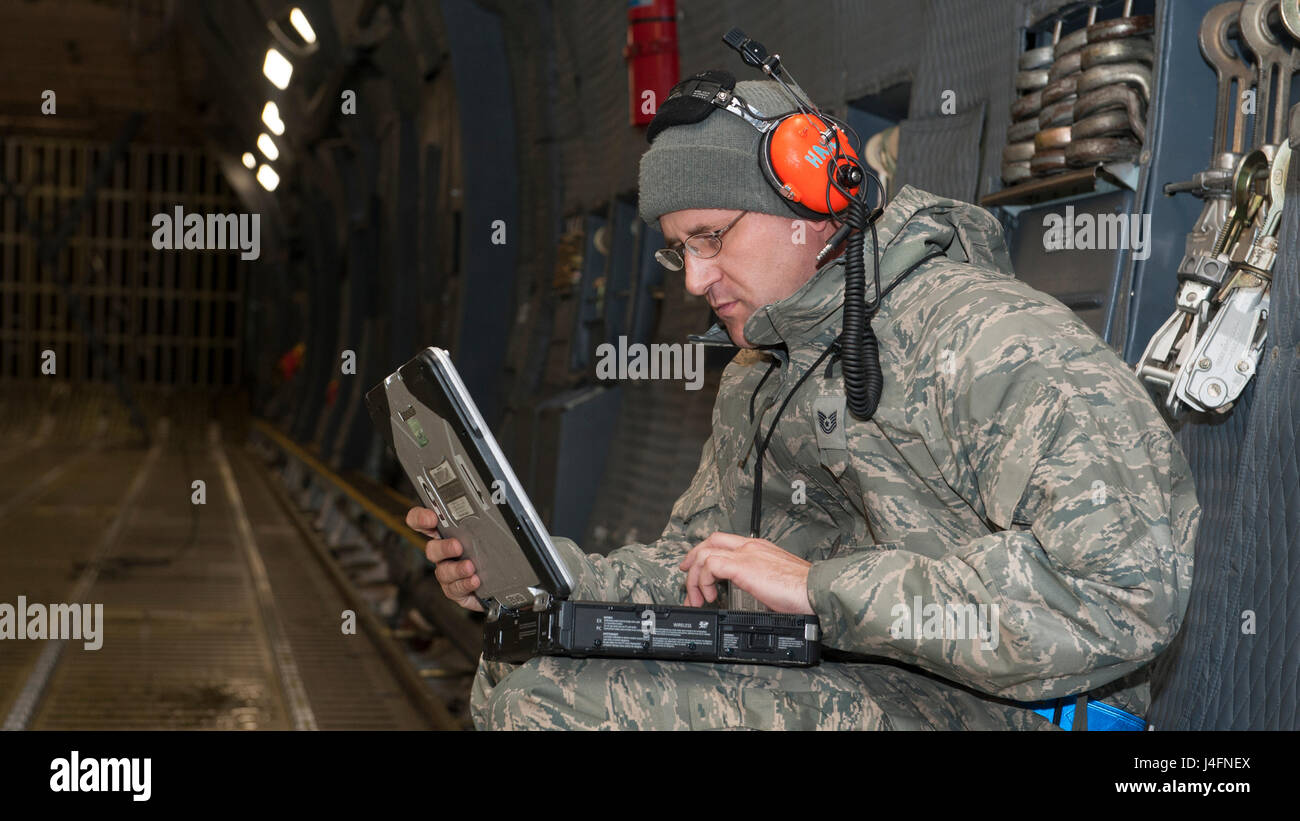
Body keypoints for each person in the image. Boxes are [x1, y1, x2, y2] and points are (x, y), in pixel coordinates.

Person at [406, 76, 1201, 730]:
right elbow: (698, 569)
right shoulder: (762, 370)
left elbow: (1120, 594)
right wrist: (538, 575)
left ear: (813, 202)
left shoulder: (990, 338)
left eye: (713, 236)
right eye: (679, 249)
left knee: (559, 707)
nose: (693, 279)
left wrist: (820, 588)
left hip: (1009, 704)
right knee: (524, 665)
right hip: (867, 682)